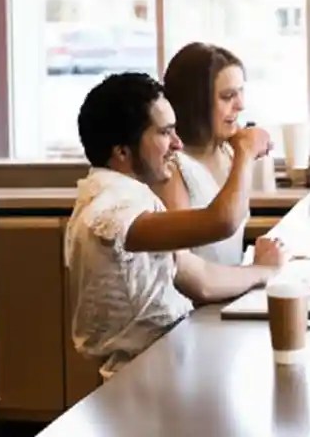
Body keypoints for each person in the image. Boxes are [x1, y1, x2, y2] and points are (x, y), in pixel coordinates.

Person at [65, 72, 288, 380]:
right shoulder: (111, 206)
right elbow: (222, 221)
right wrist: (245, 153)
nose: (178, 144)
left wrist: (264, 270)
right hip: (140, 381)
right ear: (122, 152)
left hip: (167, 362)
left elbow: (201, 279)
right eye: (165, 133)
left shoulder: (134, 198)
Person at [152, 42, 261, 265]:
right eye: (228, 96)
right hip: (203, 297)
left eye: (241, 92)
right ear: (196, 104)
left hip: (233, 289)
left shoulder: (230, 151)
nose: (241, 105)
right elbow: (182, 268)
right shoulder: (171, 167)